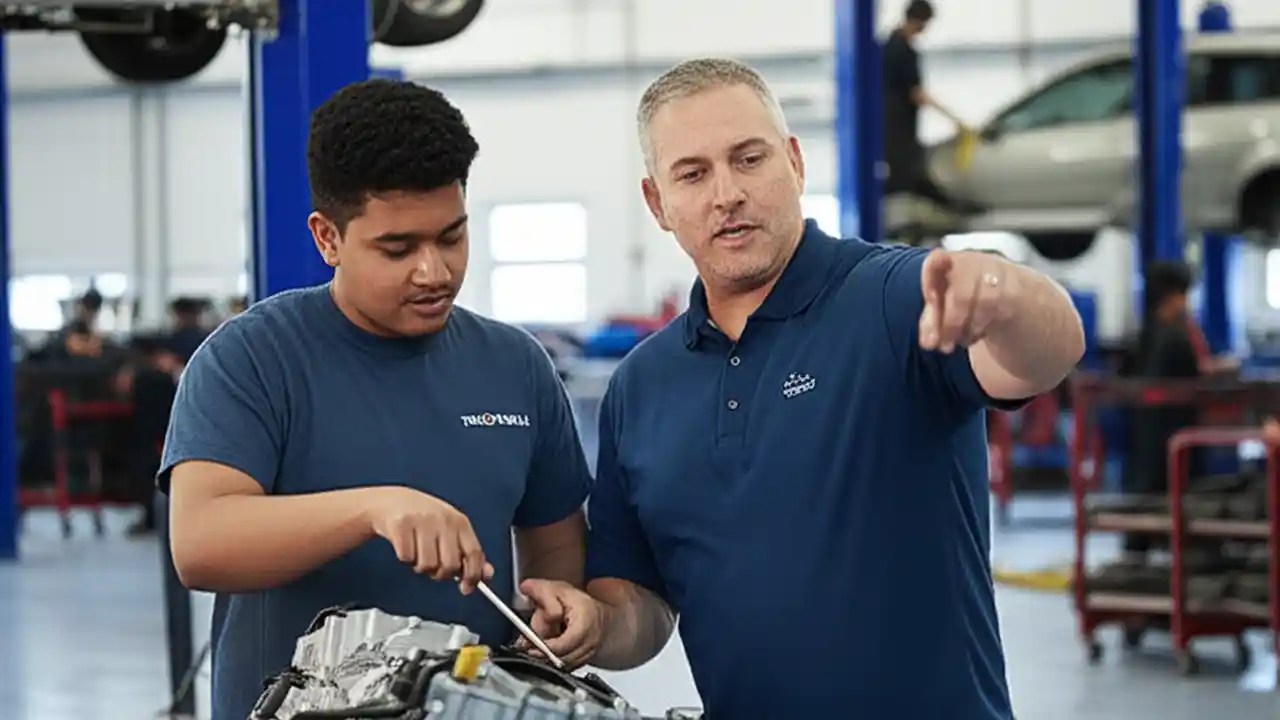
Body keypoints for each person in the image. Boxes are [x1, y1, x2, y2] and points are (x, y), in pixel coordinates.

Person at [516, 58, 1085, 718]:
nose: (725, 193)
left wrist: (1009, 293)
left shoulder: (893, 298)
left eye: (749, 159)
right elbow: (639, 605)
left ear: (794, 162)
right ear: (658, 203)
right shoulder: (641, 388)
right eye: (693, 174)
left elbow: (1047, 357)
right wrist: (595, 623)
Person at [158, 79, 593, 720]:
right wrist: (373, 510)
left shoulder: (515, 367)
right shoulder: (251, 360)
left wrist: (559, 605)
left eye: (451, 237)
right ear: (327, 238)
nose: (434, 271)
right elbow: (201, 544)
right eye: (398, 248)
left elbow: (555, 543)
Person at [881, 0, 976, 212]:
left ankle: (951, 206)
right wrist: (954, 119)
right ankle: (954, 207)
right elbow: (917, 94)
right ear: (921, 21)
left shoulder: (886, 45)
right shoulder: (904, 51)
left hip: (890, 122)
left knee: (904, 174)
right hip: (898, 124)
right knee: (906, 175)